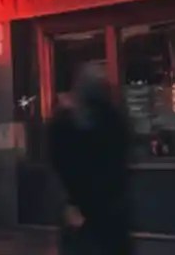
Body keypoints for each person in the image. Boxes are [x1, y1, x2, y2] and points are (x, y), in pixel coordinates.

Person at [49, 63, 134, 255]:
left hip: (83, 207)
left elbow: (60, 163)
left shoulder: (67, 121)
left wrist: (69, 202)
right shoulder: (113, 118)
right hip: (110, 207)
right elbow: (122, 159)